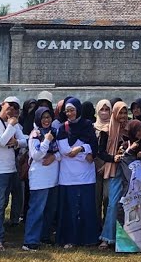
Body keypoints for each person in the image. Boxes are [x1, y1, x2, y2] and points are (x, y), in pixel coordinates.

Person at [0, 96, 27, 250]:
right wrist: (11, 127)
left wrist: (16, 142)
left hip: (11, 168)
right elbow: (2, 141)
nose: (12, 109)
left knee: (10, 201)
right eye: (10, 105)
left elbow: (25, 140)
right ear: (2, 104)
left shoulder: (14, 123)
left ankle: (3, 233)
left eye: (16, 107)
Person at [56, 105, 97, 249]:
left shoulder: (87, 126)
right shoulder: (62, 128)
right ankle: (69, 238)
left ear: (78, 110)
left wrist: (81, 149)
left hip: (86, 175)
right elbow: (65, 151)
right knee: (70, 208)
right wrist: (84, 152)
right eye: (67, 110)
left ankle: (88, 238)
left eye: (72, 110)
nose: (70, 113)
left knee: (86, 206)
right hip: (68, 175)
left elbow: (94, 146)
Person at [22, 106, 60, 251]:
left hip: (53, 177)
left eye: (48, 117)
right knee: (37, 209)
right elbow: (36, 155)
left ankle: (44, 236)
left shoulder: (55, 132)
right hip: (39, 177)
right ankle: (30, 240)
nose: (46, 120)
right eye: (43, 117)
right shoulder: (35, 134)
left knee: (50, 209)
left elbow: (62, 152)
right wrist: (46, 141)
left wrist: (54, 157)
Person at [95, 101, 129, 250]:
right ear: (114, 113)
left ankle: (125, 237)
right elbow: (100, 152)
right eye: (119, 112)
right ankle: (107, 237)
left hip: (128, 170)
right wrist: (112, 158)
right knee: (112, 203)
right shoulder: (106, 130)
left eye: (124, 112)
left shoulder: (129, 130)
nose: (122, 116)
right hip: (114, 169)